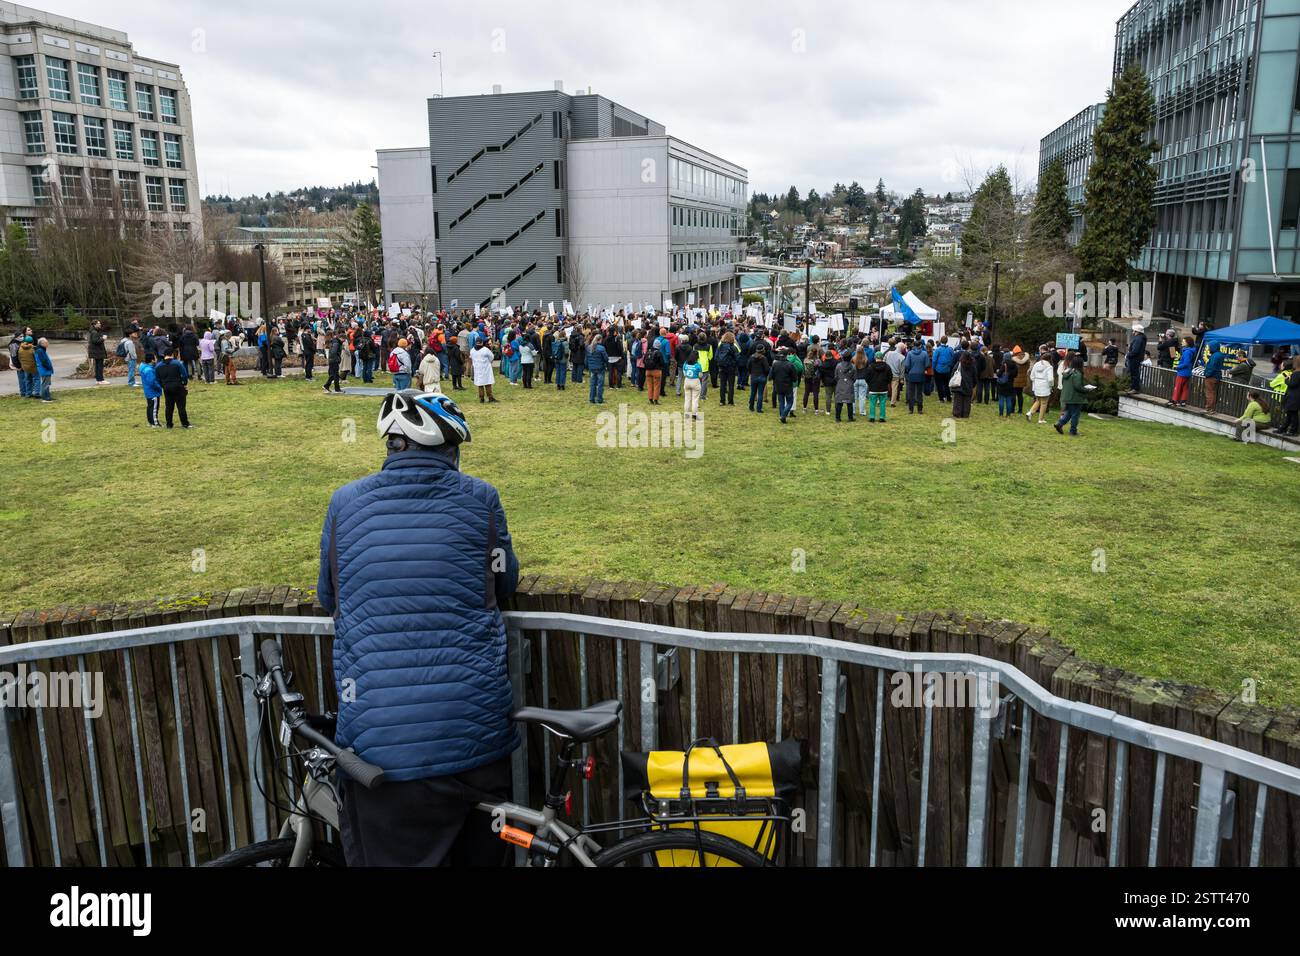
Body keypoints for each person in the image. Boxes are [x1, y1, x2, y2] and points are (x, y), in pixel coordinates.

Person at [317, 391, 519, 867]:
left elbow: (330, 595)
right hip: (476, 734)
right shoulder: (481, 498)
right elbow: (504, 580)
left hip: (380, 752)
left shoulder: (344, 504)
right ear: (447, 449)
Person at [155, 347, 192, 429]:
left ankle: (169, 424)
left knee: (168, 407)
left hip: (167, 388)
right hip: (178, 386)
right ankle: (185, 423)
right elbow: (184, 375)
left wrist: (163, 385)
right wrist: (184, 383)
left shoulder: (158, 366)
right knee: (181, 406)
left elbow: (157, 378)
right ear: (172, 354)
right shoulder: (177, 363)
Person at [1054, 356, 1086, 437]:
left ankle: (1059, 424)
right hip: (1075, 397)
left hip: (1066, 396)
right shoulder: (1077, 373)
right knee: (1075, 415)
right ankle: (1073, 431)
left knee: (1069, 413)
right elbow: (1078, 386)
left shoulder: (1067, 371)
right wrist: (1086, 389)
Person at [771, 348, 798, 424]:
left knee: (781, 402)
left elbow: (772, 375)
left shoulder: (775, 364)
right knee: (790, 402)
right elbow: (794, 378)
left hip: (778, 385)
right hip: (787, 386)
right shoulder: (790, 365)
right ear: (786, 356)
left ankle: (782, 416)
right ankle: (783, 416)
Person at [1028, 349, 1054, 423]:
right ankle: (1041, 419)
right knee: (1044, 403)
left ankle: (1030, 413)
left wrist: (1036, 382)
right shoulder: (1049, 367)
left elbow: (1032, 376)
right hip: (1045, 386)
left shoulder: (1036, 364)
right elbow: (1050, 379)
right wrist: (1051, 386)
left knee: (1038, 400)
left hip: (1037, 385)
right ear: (1049, 359)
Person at [866, 350, 893, 423]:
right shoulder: (887, 367)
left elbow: (867, 377)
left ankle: (872, 416)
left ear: (875, 358)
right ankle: (882, 417)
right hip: (883, 388)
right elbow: (890, 377)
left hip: (873, 388)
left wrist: (870, 384)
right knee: (882, 403)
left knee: (872, 403)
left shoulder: (870, 367)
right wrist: (886, 383)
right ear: (882, 357)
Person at [903, 340, 930, 414]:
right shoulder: (924, 353)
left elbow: (907, 365)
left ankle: (911, 409)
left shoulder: (910, 353)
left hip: (912, 374)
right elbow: (927, 364)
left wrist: (910, 370)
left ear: (913, 345)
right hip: (921, 374)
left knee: (911, 392)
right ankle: (920, 409)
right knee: (919, 393)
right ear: (920, 345)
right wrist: (923, 368)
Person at [1171, 336, 1196, 407]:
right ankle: (1183, 401)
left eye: (1183, 341)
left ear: (1187, 343)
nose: (1182, 342)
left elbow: (1186, 363)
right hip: (1187, 372)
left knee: (1178, 386)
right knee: (1185, 388)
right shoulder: (1191, 350)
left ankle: (1175, 400)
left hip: (1182, 372)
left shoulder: (1187, 352)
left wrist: (1177, 367)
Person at [471, 339, 497, 403]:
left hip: (477, 368)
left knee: (480, 384)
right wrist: (489, 362)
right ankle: (490, 397)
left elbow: (472, 358)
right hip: (485, 368)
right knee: (487, 383)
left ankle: (481, 398)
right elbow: (491, 357)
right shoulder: (485, 349)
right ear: (482, 342)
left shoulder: (472, 350)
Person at [585, 333, 608, 404]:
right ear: (600, 340)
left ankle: (591, 398)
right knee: (600, 384)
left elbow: (587, 358)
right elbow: (606, 358)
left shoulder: (589, 347)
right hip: (600, 368)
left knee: (593, 383)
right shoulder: (601, 348)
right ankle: (599, 399)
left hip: (592, 367)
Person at [951, 352, 976, 419]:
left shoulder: (959, 364)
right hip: (968, 384)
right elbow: (975, 375)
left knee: (958, 400)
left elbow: (953, 372)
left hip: (959, 383)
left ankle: (957, 413)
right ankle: (965, 414)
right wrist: (973, 384)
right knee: (967, 400)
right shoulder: (972, 365)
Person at [681, 348, 703, 420]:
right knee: (695, 399)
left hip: (687, 380)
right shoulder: (698, 365)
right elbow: (700, 376)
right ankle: (694, 415)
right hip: (695, 381)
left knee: (687, 399)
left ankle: (686, 414)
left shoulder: (685, 363)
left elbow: (684, 373)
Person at [834, 351, 856, 422]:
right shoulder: (853, 366)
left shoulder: (838, 366)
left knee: (839, 402)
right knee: (849, 402)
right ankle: (850, 417)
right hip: (849, 384)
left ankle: (838, 417)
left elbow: (836, 376)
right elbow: (854, 377)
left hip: (840, 384)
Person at [140, 353, 162, 427]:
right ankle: (155, 423)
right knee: (154, 408)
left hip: (148, 391)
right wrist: (159, 387)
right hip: (153, 392)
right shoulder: (149, 370)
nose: (156, 359)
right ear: (152, 360)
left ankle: (150, 421)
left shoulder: (144, 367)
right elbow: (152, 382)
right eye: (155, 358)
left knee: (150, 407)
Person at [1202, 343, 1225, 412]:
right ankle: (1212, 409)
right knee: (1213, 393)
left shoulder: (1215, 356)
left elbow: (1212, 367)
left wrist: (1207, 374)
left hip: (1211, 377)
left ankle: (1209, 408)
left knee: (1209, 393)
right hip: (1217, 376)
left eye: (1210, 347)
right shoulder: (1220, 355)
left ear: (1213, 347)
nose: (1209, 349)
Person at [1126, 324, 1147, 394]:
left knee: (1134, 374)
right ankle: (1133, 387)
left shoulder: (1138, 339)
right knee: (1134, 373)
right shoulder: (1141, 338)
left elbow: (1135, 351)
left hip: (1134, 359)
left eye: (1134, 331)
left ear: (1137, 331)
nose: (1133, 332)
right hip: (1137, 358)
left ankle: (1135, 388)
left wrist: (1128, 355)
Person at [643, 332, 664, 404]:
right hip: (656, 371)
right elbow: (662, 362)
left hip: (648, 371)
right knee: (656, 386)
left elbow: (644, 360)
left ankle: (650, 399)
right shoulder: (659, 353)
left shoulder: (648, 351)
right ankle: (656, 400)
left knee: (649, 385)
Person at [747, 345, 770, 413]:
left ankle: (751, 406)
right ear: (763, 350)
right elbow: (767, 369)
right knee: (760, 393)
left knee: (753, 392)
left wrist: (751, 372)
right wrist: (765, 375)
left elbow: (748, 366)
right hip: (762, 377)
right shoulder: (764, 358)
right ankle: (759, 408)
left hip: (754, 376)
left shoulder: (751, 357)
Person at [33, 338, 54, 403]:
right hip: (44, 369)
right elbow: (43, 361)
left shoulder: (41, 350)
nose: (48, 344)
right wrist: (48, 367)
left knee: (47, 384)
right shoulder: (40, 350)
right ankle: (45, 398)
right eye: (46, 343)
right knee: (45, 384)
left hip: (45, 369)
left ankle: (48, 396)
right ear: (42, 343)